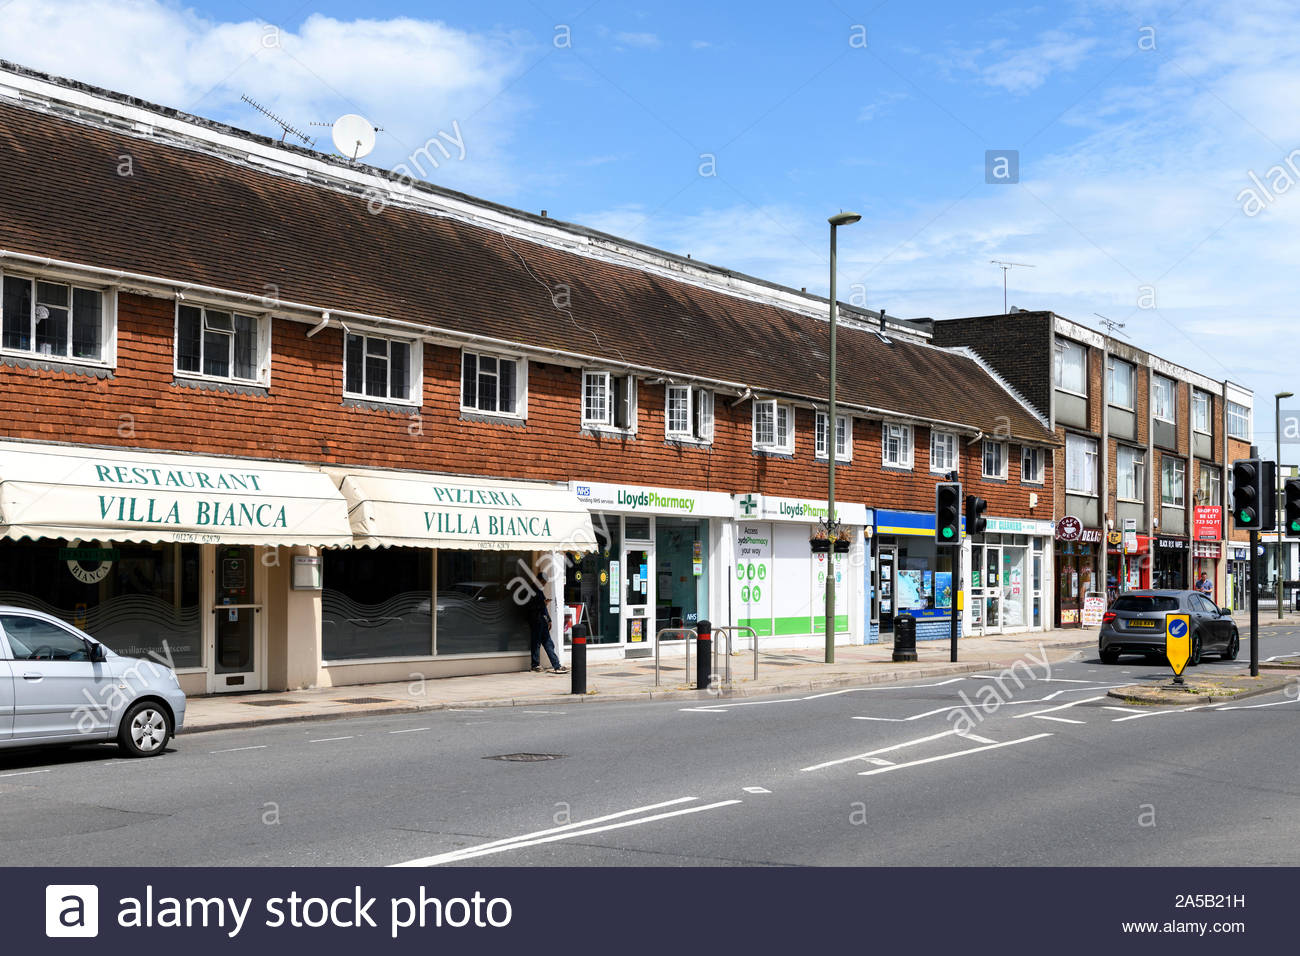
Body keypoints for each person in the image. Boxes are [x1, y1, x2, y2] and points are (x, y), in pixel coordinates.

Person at [527, 573, 567, 674]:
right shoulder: (530, 591)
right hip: (536, 620)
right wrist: (542, 604)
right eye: (543, 582)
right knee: (536, 643)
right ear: (538, 580)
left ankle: (556, 665)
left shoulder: (539, 591)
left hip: (542, 620)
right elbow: (529, 607)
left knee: (548, 643)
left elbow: (543, 607)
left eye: (545, 582)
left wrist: (549, 619)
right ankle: (535, 665)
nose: (544, 584)